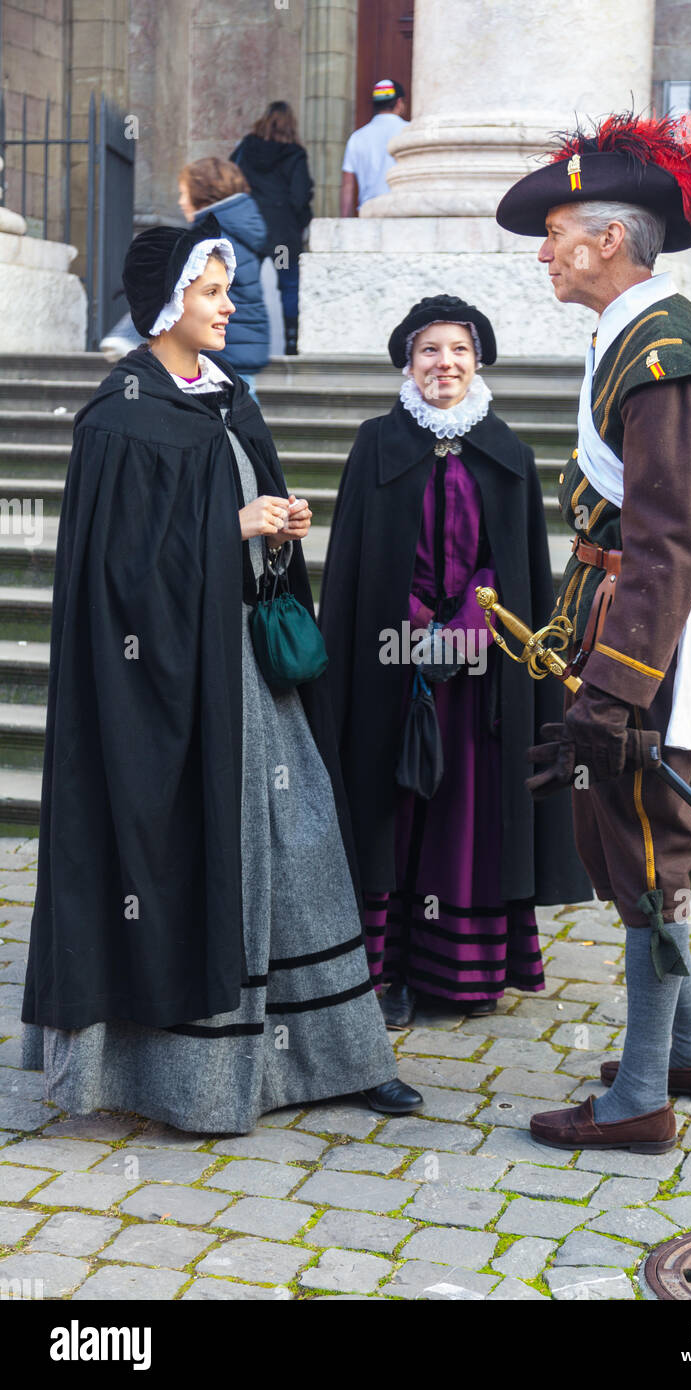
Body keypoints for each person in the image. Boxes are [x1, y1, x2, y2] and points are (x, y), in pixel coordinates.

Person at [20, 213, 422, 1132]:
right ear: (167, 305)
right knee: (211, 854)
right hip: (169, 685)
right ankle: (190, 1080)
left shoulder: (228, 393)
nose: (228, 307)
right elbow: (113, 576)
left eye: (227, 290)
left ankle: (339, 1053)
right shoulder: (120, 417)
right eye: (211, 293)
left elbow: (235, 503)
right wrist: (229, 530)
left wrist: (277, 524)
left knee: (305, 841)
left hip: (253, 668)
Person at [495, 113, 691, 1152]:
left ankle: (640, 1100)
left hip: (651, 635)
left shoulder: (662, 353)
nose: (544, 251)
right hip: (627, 623)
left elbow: (668, 536)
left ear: (607, 240)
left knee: (642, 847)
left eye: (557, 231)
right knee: (628, 839)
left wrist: (613, 690)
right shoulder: (634, 336)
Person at [318, 294, 591, 1030]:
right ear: (409, 362)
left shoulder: (508, 455)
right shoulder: (376, 445)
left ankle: (460, 975)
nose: (445, 364)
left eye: (458, 351)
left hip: (478, 679)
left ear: (478, 361)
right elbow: (362, 569)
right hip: (391, 670)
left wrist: (465, 631)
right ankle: (388, 973)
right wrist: (415, 634)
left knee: (463, 816)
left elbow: (511, 569)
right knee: (396, 813)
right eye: (430, 350)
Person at [177, 156, 271, 398]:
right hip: (236, 347)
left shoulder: (212, 240)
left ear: (201, 195)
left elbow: (179, 290)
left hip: (223, 350)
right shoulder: (234, 232)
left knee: (237, 427)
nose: (180, 202)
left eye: (184, 194)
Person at [231, 101, 314, 356]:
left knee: (244, 284)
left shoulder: (246, 148)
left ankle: (242, 340)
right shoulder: (295, 154)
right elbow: (300, 196)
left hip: (250, 228)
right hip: (282, 233)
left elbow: (230, 180)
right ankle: (291, 342)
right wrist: (299, 222)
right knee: (288, 285)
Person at [340, 79, 408, 216]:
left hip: (368, 213)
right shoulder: (409, 131)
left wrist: (343, 221)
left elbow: (348, 185)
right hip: (402, 212)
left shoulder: (357, 137)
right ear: (399, 103)